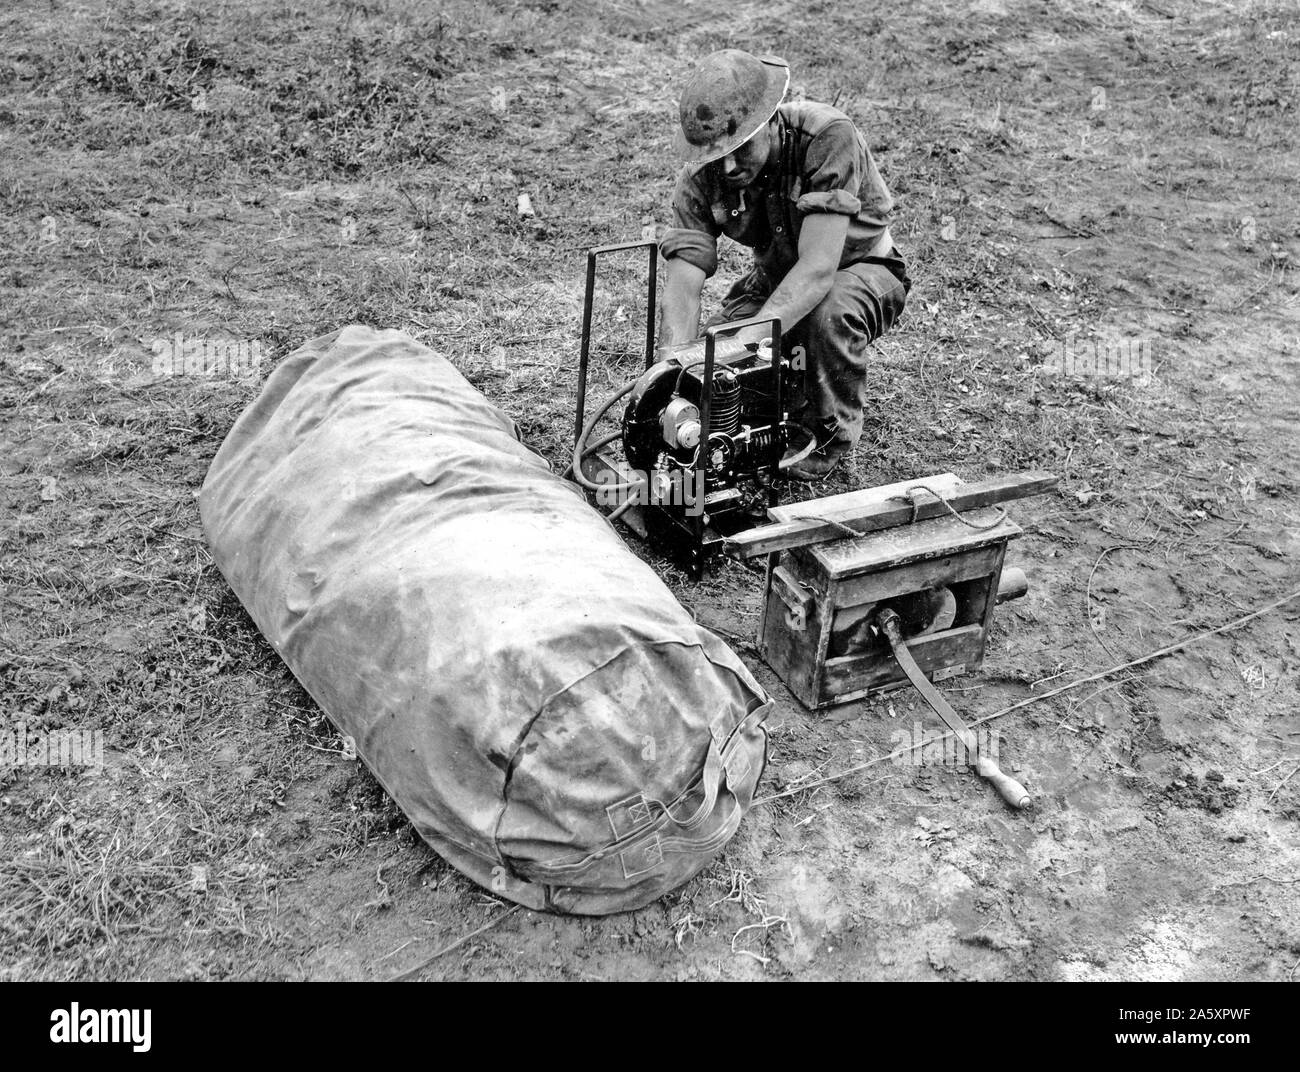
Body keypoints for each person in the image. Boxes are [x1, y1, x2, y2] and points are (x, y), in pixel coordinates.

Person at [658, 49, 911, 480]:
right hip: (775, 278)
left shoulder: (828, 137)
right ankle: (768, 416)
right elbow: (683, 288)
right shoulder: (700, 177)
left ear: (771, 120)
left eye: (740, 149)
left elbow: (816, 271)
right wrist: (673, 372)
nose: (729, 167)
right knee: (711, 359)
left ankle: (824, 436)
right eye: (716, 156)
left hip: (860, 272)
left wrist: (748, 342)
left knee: (825, 313)